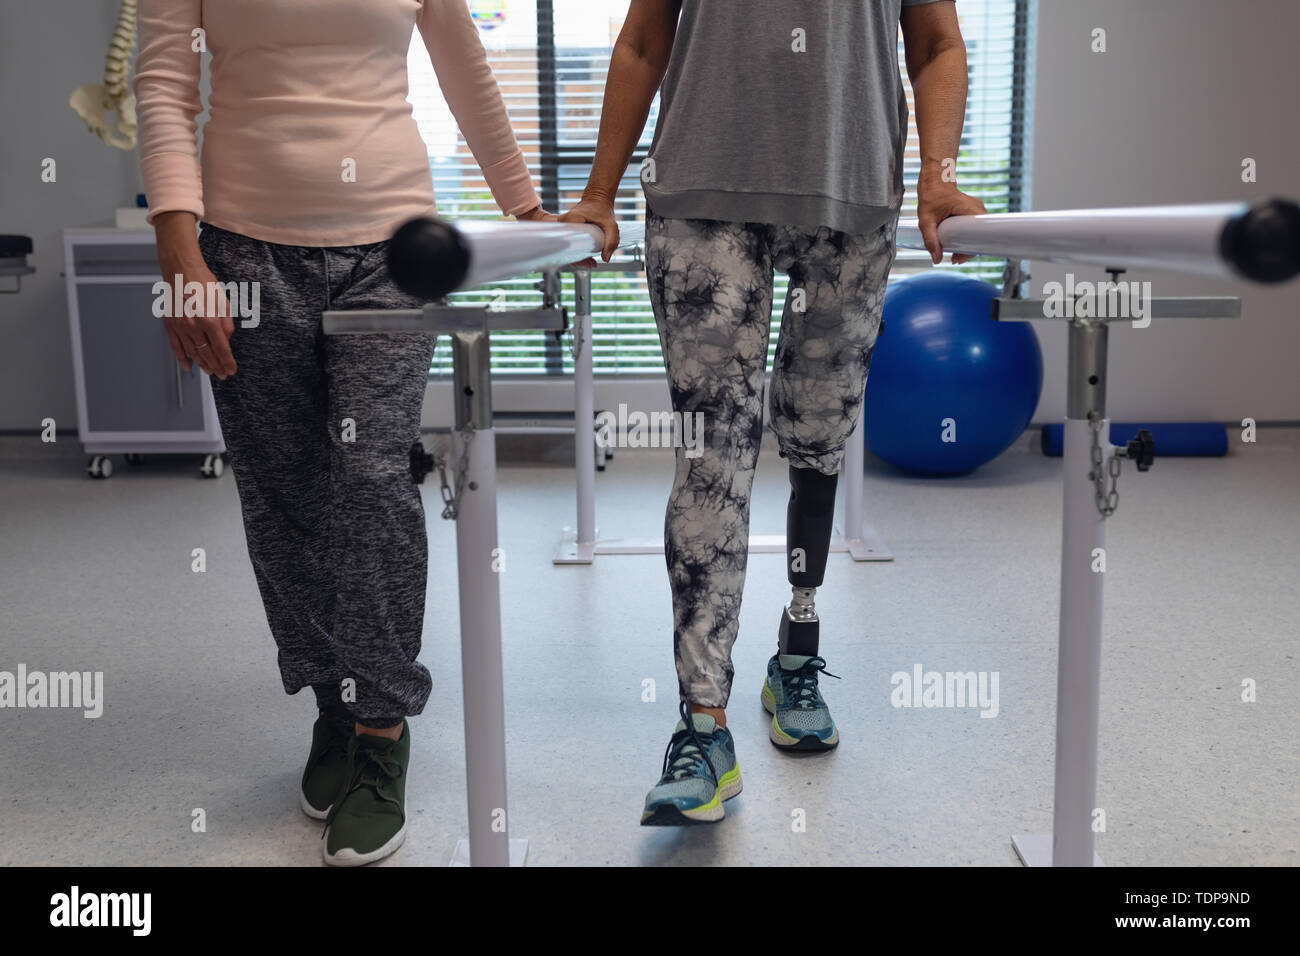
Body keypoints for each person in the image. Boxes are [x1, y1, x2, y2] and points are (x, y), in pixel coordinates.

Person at [134, 0, 549, 864]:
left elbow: (464, 68)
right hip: (242, 250)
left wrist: (524, 205)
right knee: (282, 496)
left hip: (391, 251)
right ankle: (333, 699)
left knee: (368, 480)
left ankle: (382, 732)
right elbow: (167, 82)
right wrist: (180, 250)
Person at [564, 0, 986, 824]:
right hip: (700, 193)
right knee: (712, 457)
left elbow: (935, 43)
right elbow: (645, 38)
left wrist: (938, 175)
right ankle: (702, 727)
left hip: (853, 197)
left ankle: (797, 650)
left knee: (818, 439)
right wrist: (596, 193)